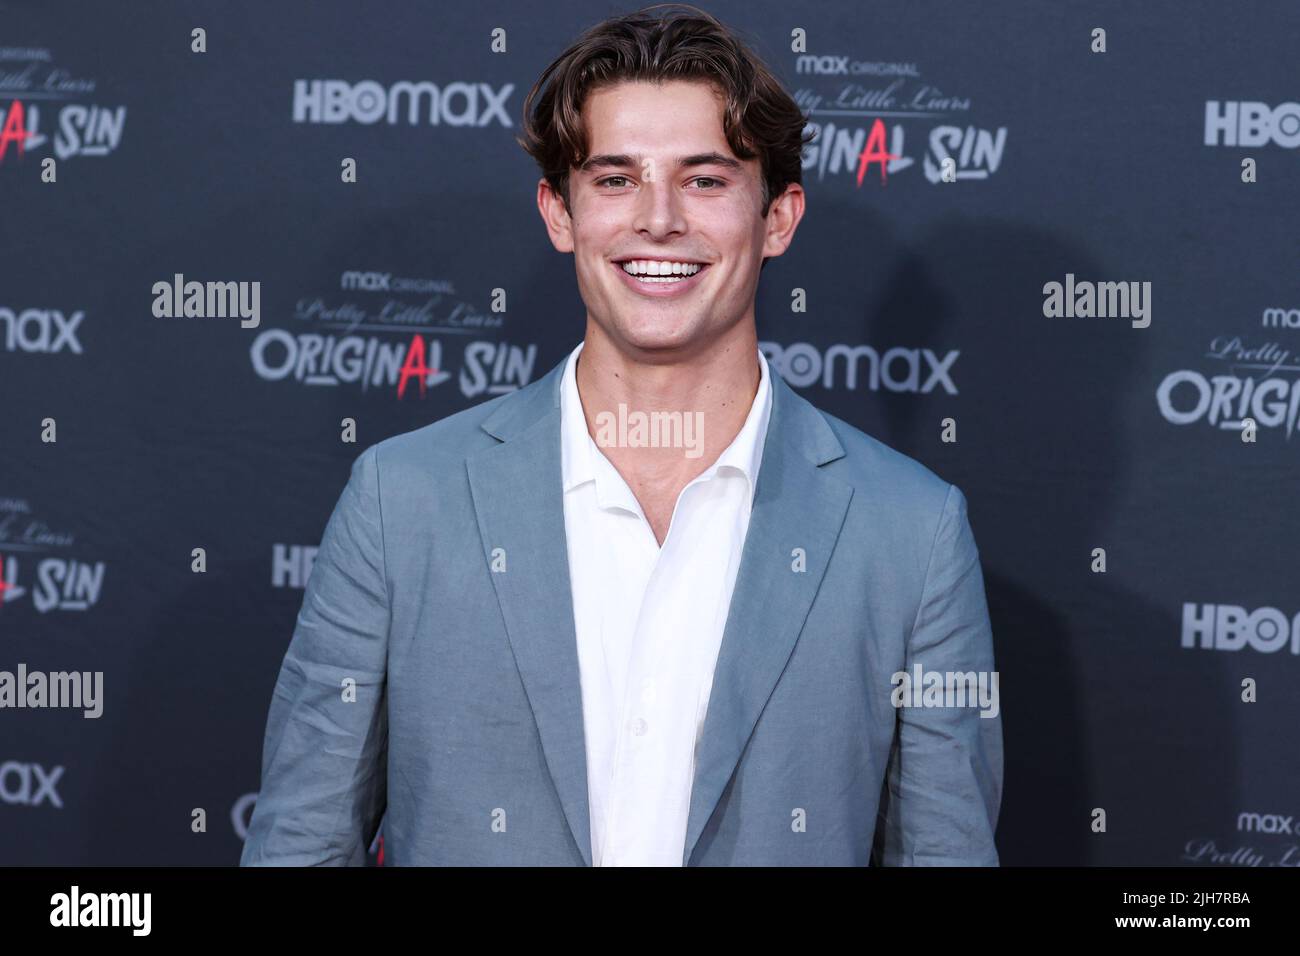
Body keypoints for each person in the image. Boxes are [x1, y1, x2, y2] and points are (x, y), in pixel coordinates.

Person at [241, 3, 1002, 866]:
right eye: (615, 180)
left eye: (706, 180)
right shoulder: (402, 501)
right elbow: (300, 843)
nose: (659, 218)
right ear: (560, 214)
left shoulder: (911, 532)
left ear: (779, 218)